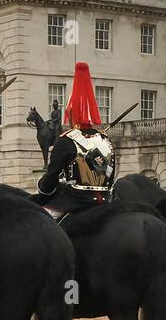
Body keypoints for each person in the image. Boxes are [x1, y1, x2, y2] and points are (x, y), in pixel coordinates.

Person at [37, 61, 114, 220]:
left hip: (75, 200)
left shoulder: (66, 140)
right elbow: (109, 175)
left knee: (39, 221)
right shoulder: (105, 141)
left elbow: (51, 179)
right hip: (106, 201)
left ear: (72, 113)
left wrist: (43, 188)